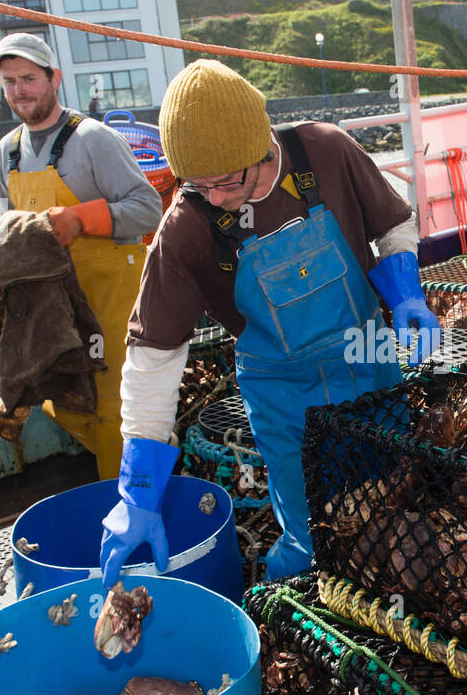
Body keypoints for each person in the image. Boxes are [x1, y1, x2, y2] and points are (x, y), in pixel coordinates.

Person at [98, 59, 440, 586]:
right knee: (315, 538)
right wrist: (138, 491)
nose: (214, 197)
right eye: (197, 184)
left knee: (399, 505)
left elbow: (393, 223)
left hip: (368, 361)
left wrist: (408, 296)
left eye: (226, 181)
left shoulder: (324, 151)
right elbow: (153, 358)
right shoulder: (186, 227)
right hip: (285, 399)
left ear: (263, 146)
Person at [0, 32, 162, 481]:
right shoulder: (6, 152)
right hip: (52, 309)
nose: (19, 90)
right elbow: (4, 232)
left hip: (111, 306)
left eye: (28, 78)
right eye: (9, 82)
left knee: (113, 411)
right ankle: (159, 464)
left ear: (54, 79)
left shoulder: (94, 139)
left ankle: (132, 515)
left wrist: (82, 220)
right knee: (56, 399)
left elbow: (148, 208)